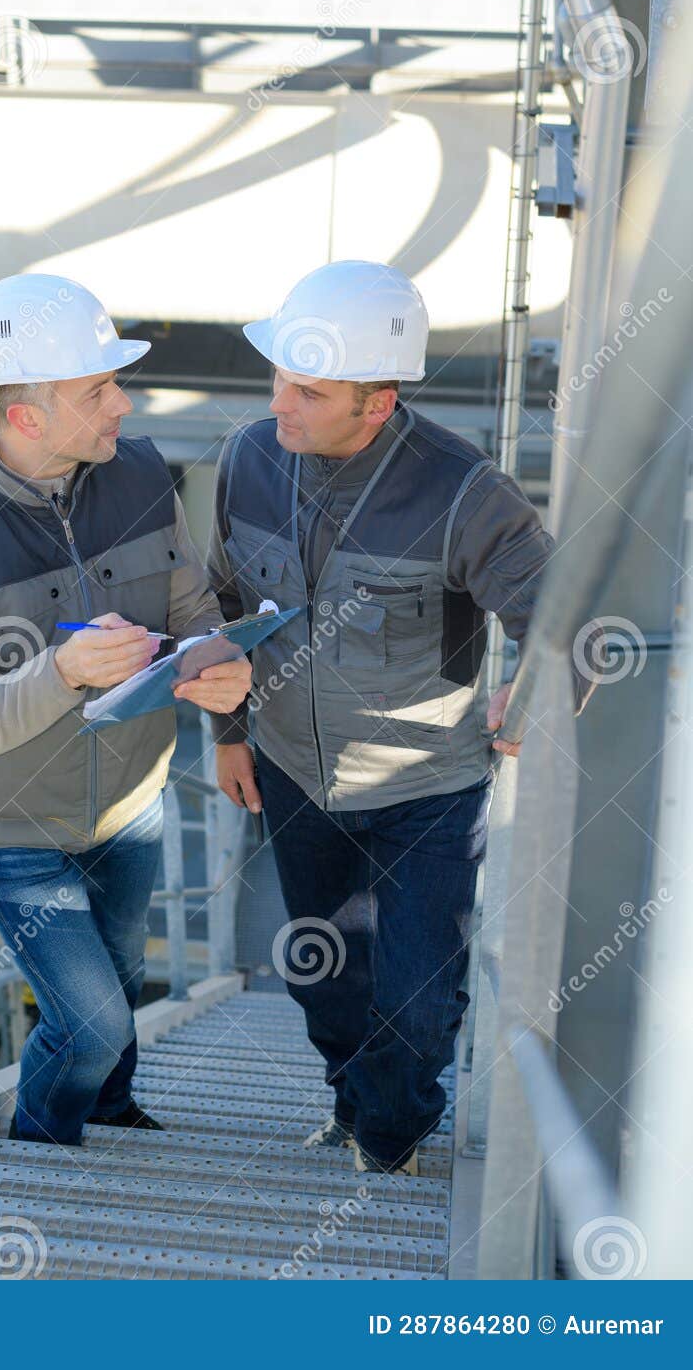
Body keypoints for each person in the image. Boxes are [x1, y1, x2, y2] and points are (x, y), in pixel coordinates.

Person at [206, 260, 596, 1176]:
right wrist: (228, 734)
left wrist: (534, 691)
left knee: (416, 1001)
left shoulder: (466, 494)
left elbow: (563, 625)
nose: (279, 405)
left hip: (428, 788)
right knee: (323, 981)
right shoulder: (249, 460)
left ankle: (390, 1140)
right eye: (278, 379)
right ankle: (353, 1104)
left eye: (307, 390)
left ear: (376, 405)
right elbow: (225, 605)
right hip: (296, 775)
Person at [0, 272, 250, 1145]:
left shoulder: (139, 470)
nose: (124, 403)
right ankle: (40, 1136)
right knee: (93, 1022)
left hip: (131, 801)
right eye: (98, 389)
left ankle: (110, 1111)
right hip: (13, 828)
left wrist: (221, 670)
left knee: (120, 981)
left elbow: (192, 613)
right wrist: (64, 671)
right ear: (26, 416)